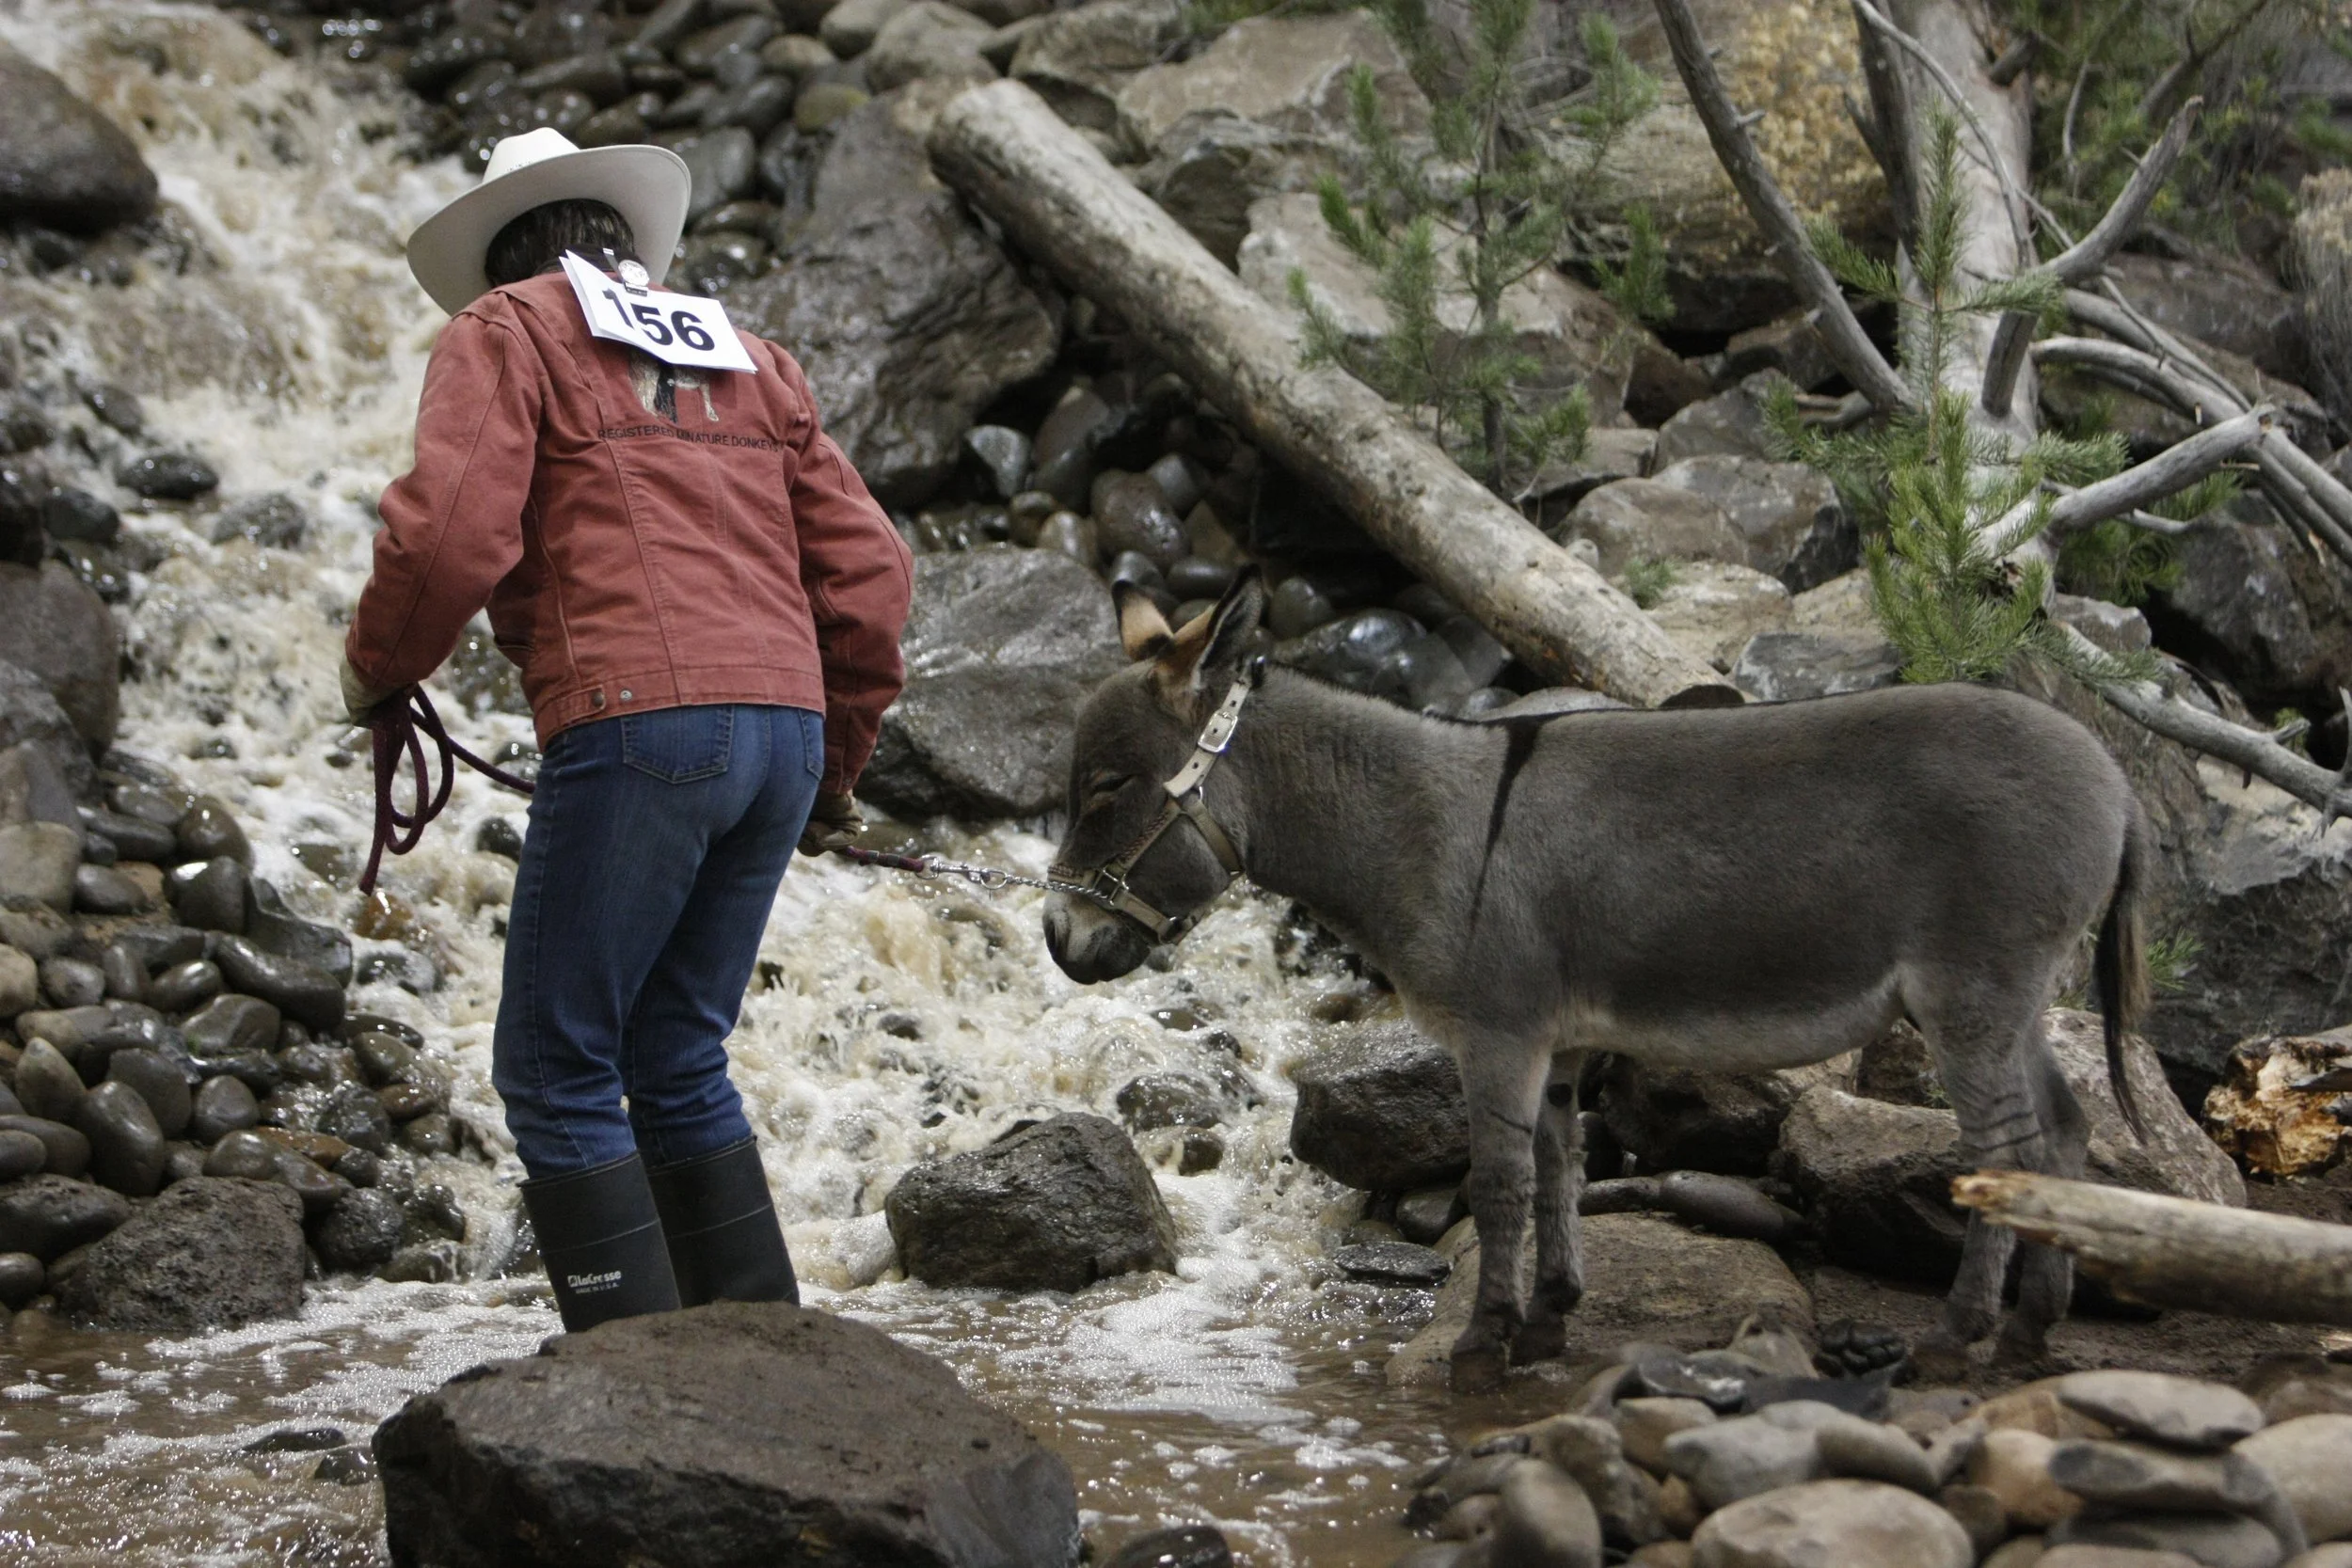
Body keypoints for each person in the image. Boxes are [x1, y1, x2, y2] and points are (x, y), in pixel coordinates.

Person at [342, 128, 913, 1332]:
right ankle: (762, 1353)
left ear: (505, 261)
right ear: (619, 245)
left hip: (639, 724)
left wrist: (377, 671)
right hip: (785, 734)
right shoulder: (753, 358)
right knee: (679, 1054)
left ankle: (637, 1379)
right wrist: (833, 765)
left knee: (557, 1071)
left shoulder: (506, 328)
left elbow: (448, 533)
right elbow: (870, 575)